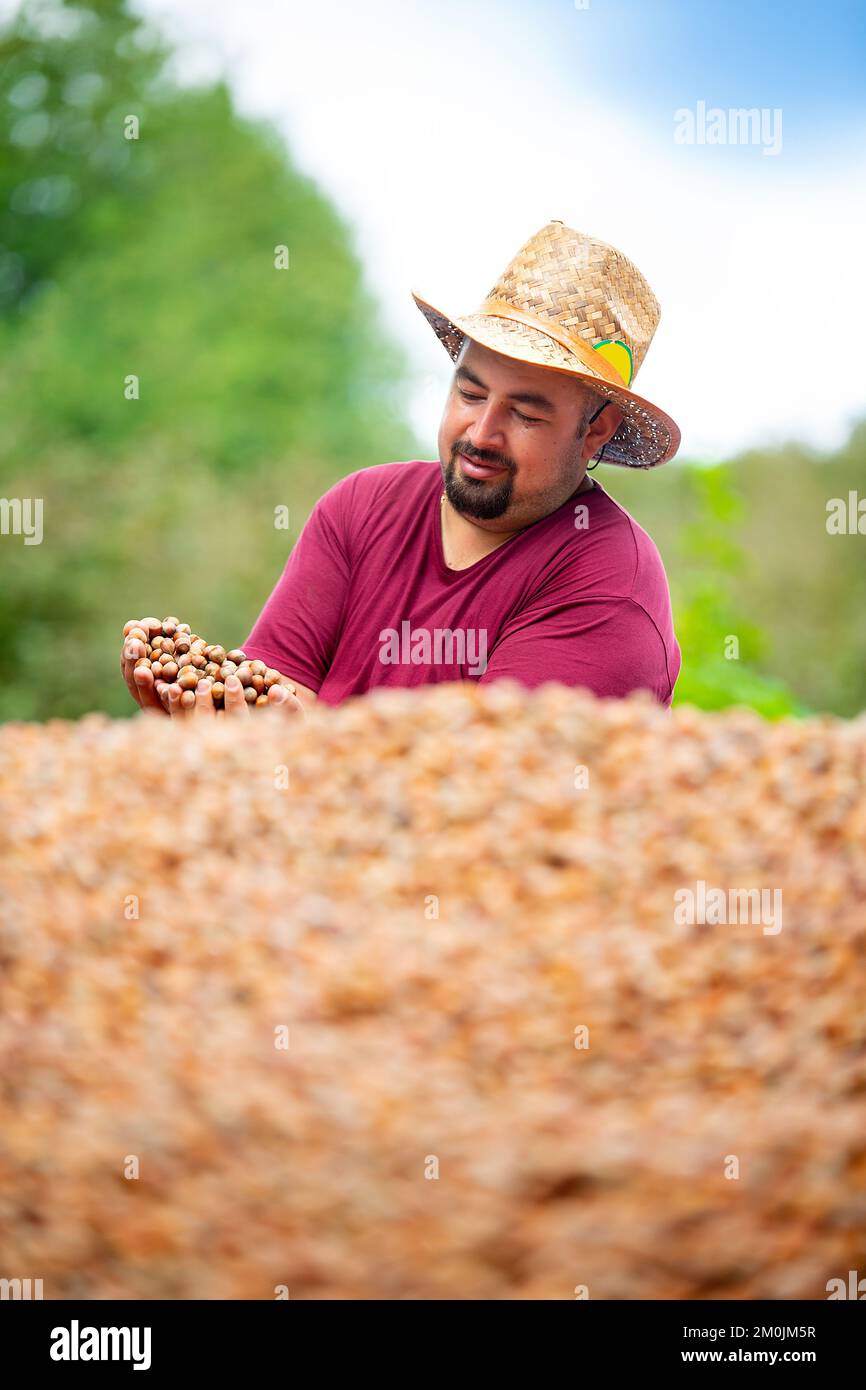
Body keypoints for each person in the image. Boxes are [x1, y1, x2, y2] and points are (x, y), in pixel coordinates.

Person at [121, 221, 682, 721]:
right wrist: (224, 718)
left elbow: (486, 794)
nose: (481, 433)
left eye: (526, 414)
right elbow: (276, 698)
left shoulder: (607, 581)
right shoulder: (360, 506)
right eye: (470, 392)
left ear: (597, 430)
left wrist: (295, 741)